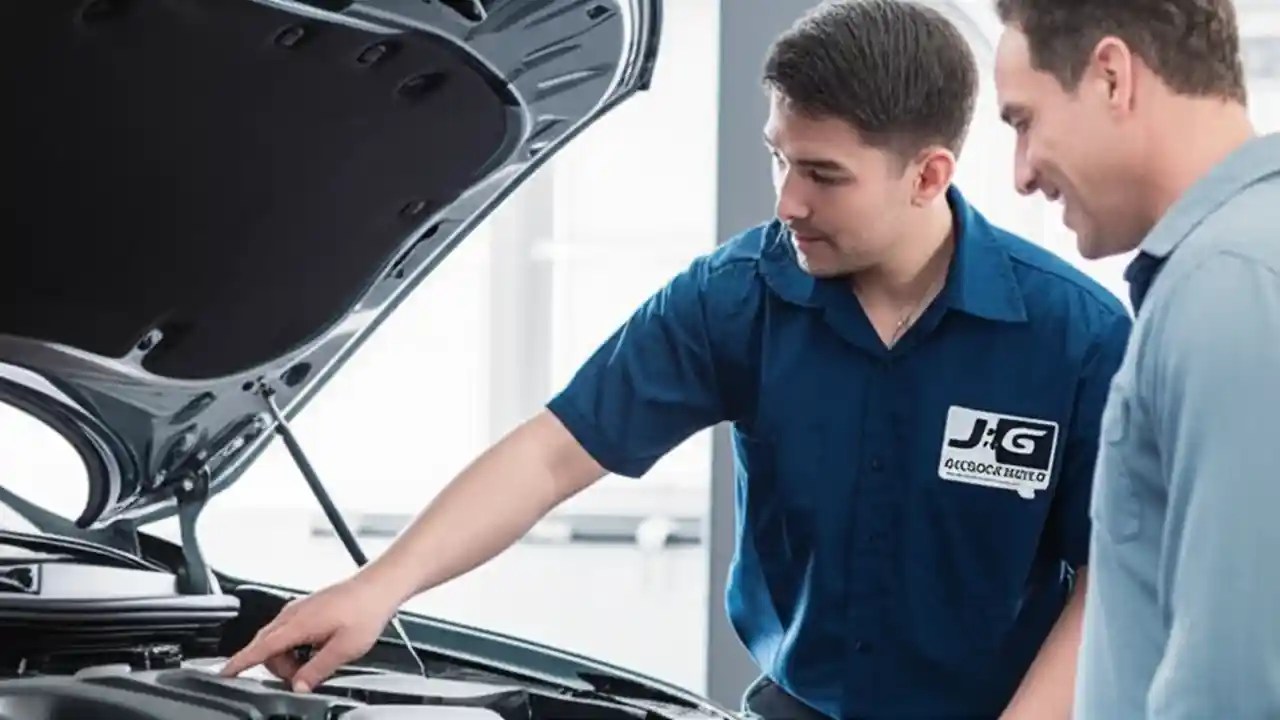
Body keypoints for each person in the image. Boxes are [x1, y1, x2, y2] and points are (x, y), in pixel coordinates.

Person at [222, 2, 1132, 717]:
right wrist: (382, 586)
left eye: (823, 174)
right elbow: (551, 453)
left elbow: (1109, 581)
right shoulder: (735, 297)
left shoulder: (1076, 338)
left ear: (928, 175)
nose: (787, 200)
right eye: (778, 158)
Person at [992, 1, 1280, 718]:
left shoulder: (1229, 283)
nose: (1022, 175)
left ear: (1112, 77)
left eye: (1025, 123)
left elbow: (1237, 687)